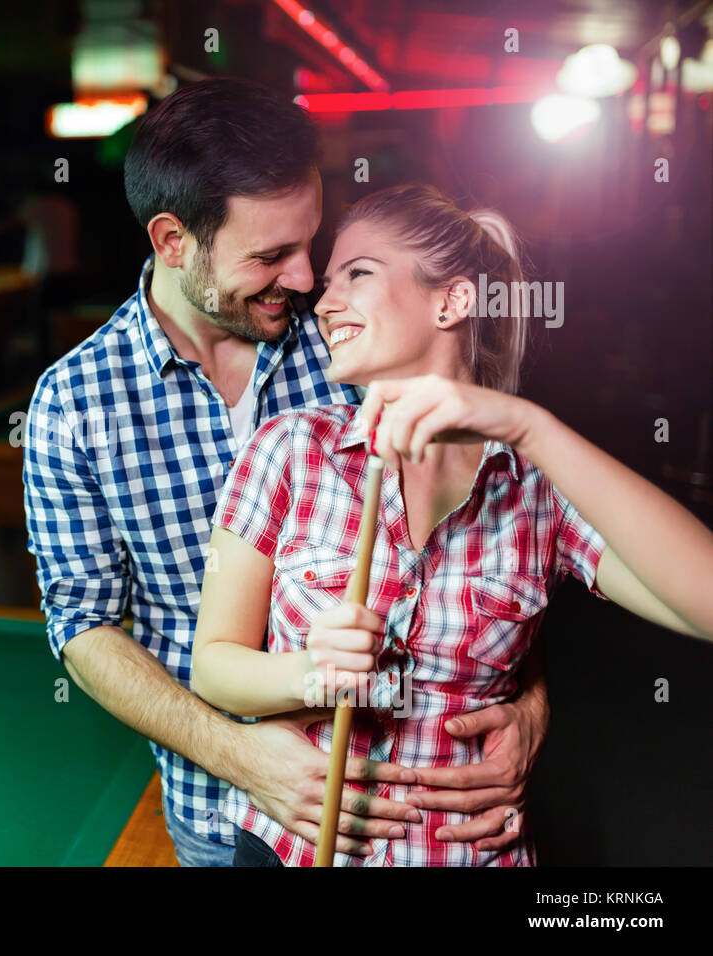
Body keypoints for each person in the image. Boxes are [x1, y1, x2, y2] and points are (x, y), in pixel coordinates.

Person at [23, 79, 551, 866]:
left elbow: (486, 544)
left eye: (312, 243)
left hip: (426, 818)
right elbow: (83, 625)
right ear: (173, 241)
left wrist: (533, 709)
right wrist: (242, 759)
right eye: (271, 254)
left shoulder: (358, 338)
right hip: (221, 818)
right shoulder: (71, 403)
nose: (306, 279)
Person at [192, 184, 713, 866]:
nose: (322, 303)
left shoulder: (536, 487)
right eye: (326, 283)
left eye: (358, 275)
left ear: (453, 300)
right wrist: (310, 671)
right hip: (295, 854)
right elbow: (213, 666)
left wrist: (530, 427)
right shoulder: (289, 449)